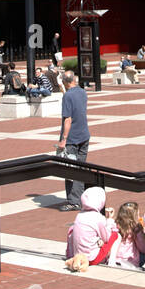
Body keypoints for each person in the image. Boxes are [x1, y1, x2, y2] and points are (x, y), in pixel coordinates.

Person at [56, 71, 89, 211]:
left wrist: (63, 139)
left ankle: (73, 201)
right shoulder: (82, 92)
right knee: (81, 168)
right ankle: (80, 198)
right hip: (84, 134)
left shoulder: (67, 96)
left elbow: (68, 119)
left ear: (64, 82)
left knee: (70, 170)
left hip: (72, 138)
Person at [63, 187, 119, 265]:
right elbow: (106, 238)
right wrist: (110, 220)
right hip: (92, 258)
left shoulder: (79, 215)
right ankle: (112, 261)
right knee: (115, 234)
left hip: (79, 256)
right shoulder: (98, 217)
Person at [110, 201, 145, 269]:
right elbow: (143, 248)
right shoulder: (136, 228)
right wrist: (143, 233)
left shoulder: (114, 225)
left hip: (114, 258)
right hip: (130, 260)